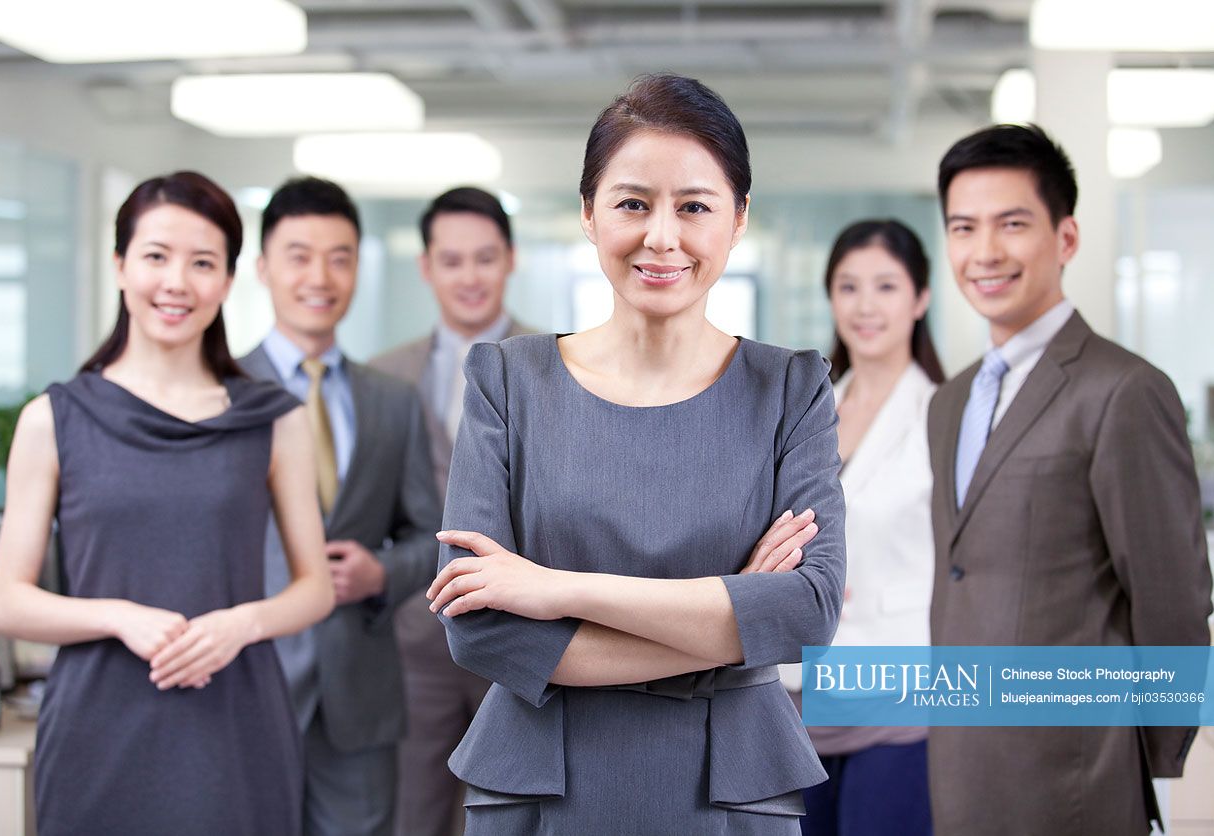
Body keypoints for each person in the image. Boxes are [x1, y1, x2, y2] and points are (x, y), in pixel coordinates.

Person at [425, 73, 844, 834]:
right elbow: (478, 625)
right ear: (588, 213)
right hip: (543, 784)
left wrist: (556, 591)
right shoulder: (508, 381)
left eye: (693, 206)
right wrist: (729, 617)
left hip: (729, 787)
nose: (661, 237)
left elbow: (807, 612)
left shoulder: (789, 388)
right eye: (631, 204)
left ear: (738, 218)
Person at [0, 171, 334, 836]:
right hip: (98, 727)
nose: (176, 282)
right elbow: (8, 601)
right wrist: (118, 616)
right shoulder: (54, 419)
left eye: (202, 262)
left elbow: (314, 588)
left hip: (236, 720)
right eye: (155, 256)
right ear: (120, 266)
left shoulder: (272, 419)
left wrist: (240, 624)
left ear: (228, 281)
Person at [927, 123, 1213, 835]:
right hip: (961, 767)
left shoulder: (1122, 390)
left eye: (1011, 224)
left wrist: (1139, 761)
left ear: (1065, 239)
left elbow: (1172, 597)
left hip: (1077, 777)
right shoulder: (950, 402)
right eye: (963, 228)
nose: (983, 252)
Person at [239, 176, 442, 836]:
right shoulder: (220, 395)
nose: (319, 276)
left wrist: (384, 574)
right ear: (264, 267)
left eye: (340, 256)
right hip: (246, 686)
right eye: (298, 255)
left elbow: (427, 533)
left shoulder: (391, 399)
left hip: (360, 696)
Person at [369, 185, 534, 836]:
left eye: (484, 258)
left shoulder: (560, 364)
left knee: (513, 813)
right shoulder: (386, 378)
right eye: (452, 260)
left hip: (522, 641)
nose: (469, 277)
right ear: (426, 267)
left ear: (510, 260)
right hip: (416, 640)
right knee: (417, 813)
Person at [793, 219, 943, 836]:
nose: (865, 305)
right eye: (848, 286)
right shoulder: (807, 407)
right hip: (799, 694)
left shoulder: (943, 414)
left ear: (920, 299)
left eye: (885, 286)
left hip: (899, 693)